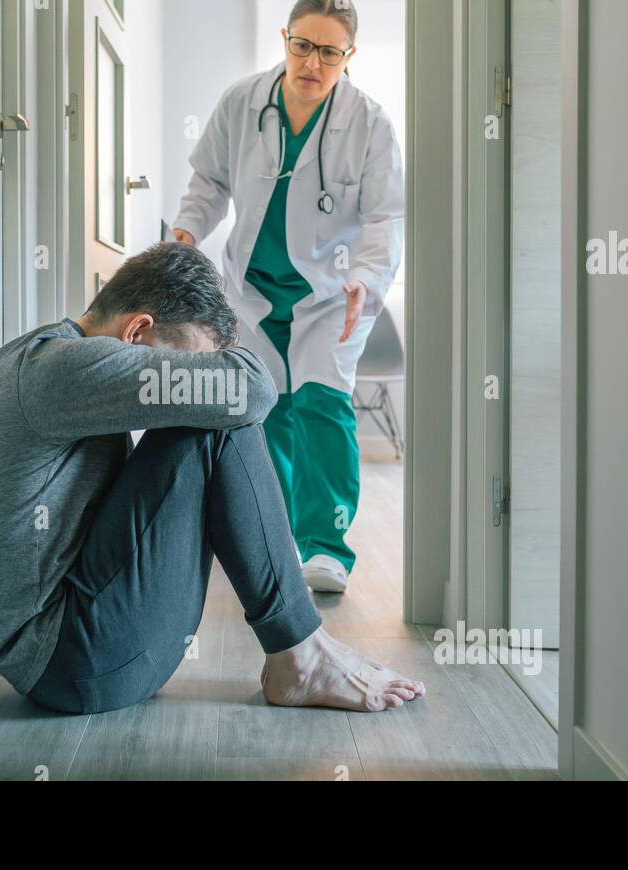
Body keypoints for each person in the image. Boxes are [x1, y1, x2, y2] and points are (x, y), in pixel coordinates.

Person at [0, 242, 424, 716]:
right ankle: (299, 653)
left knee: (215, 410)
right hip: (74, 663)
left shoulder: (52, 358)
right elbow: (250, 387)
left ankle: (302, 644)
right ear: (137, 332)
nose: (179, 373)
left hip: (82, 651)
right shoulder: (63, 368)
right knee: (216, 420)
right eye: (184, 360)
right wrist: (210, 381)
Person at [173, 0, 405, 594]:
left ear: (347, 57)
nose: (312, 62)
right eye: (303, 45)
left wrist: (370, 278)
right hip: (250, 291)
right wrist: (186, 232)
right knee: (266, 408)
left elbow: (384, 217)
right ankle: (273, 543)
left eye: (329, 51)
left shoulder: (371, 124)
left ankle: (327, 548)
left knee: (324, 405)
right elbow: (210, 181)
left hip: (330, 294)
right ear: (285, 39)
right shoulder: (242, 102)